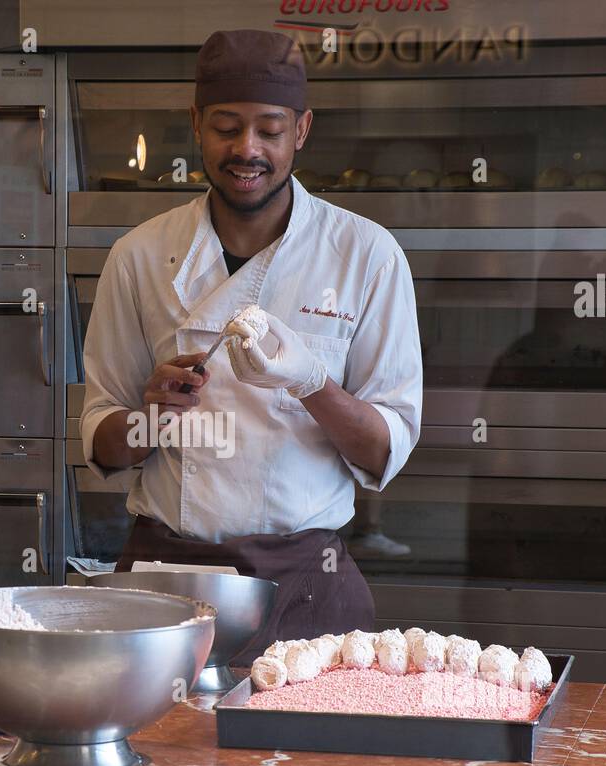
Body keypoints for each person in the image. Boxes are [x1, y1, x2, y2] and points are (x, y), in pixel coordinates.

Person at [80, 28, 422, 650]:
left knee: (302, 750)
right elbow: (104, 442)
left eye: (269, 128)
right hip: (166, 575)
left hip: (305, 582)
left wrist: (312, 382)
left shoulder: (366, 256)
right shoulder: (138, 256)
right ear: (196, 125)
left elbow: (382, 453)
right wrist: (148, 418)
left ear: (302, 129)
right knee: (164, 748)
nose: (248, 149)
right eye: (226, 127)